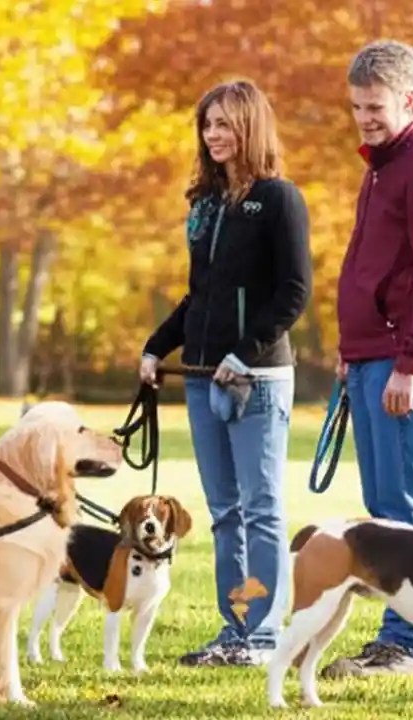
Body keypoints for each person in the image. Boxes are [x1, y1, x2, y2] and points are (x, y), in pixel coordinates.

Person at [140, 79, 312, 667]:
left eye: (224, 123)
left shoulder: (279, 198)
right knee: (223, 513)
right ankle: (234, 629)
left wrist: (247, 351)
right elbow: (199, 297)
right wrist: (157, 347)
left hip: (256, 379)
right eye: (207, 124)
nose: (214, 134)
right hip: (201, 374)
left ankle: (264, 635)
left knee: (261, 510)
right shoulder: (204, 206)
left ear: (250, 127)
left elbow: (294, 292)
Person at [320, 39, 413, 679]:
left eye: (375, 106)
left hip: (407, 363)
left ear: (408, 98)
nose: (365, 117)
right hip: (373, 358)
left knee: (407, 507)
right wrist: (354, 353)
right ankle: (397, 634)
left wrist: (411, 364)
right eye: (356, 106)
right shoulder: (380, 167)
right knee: (382, 508)